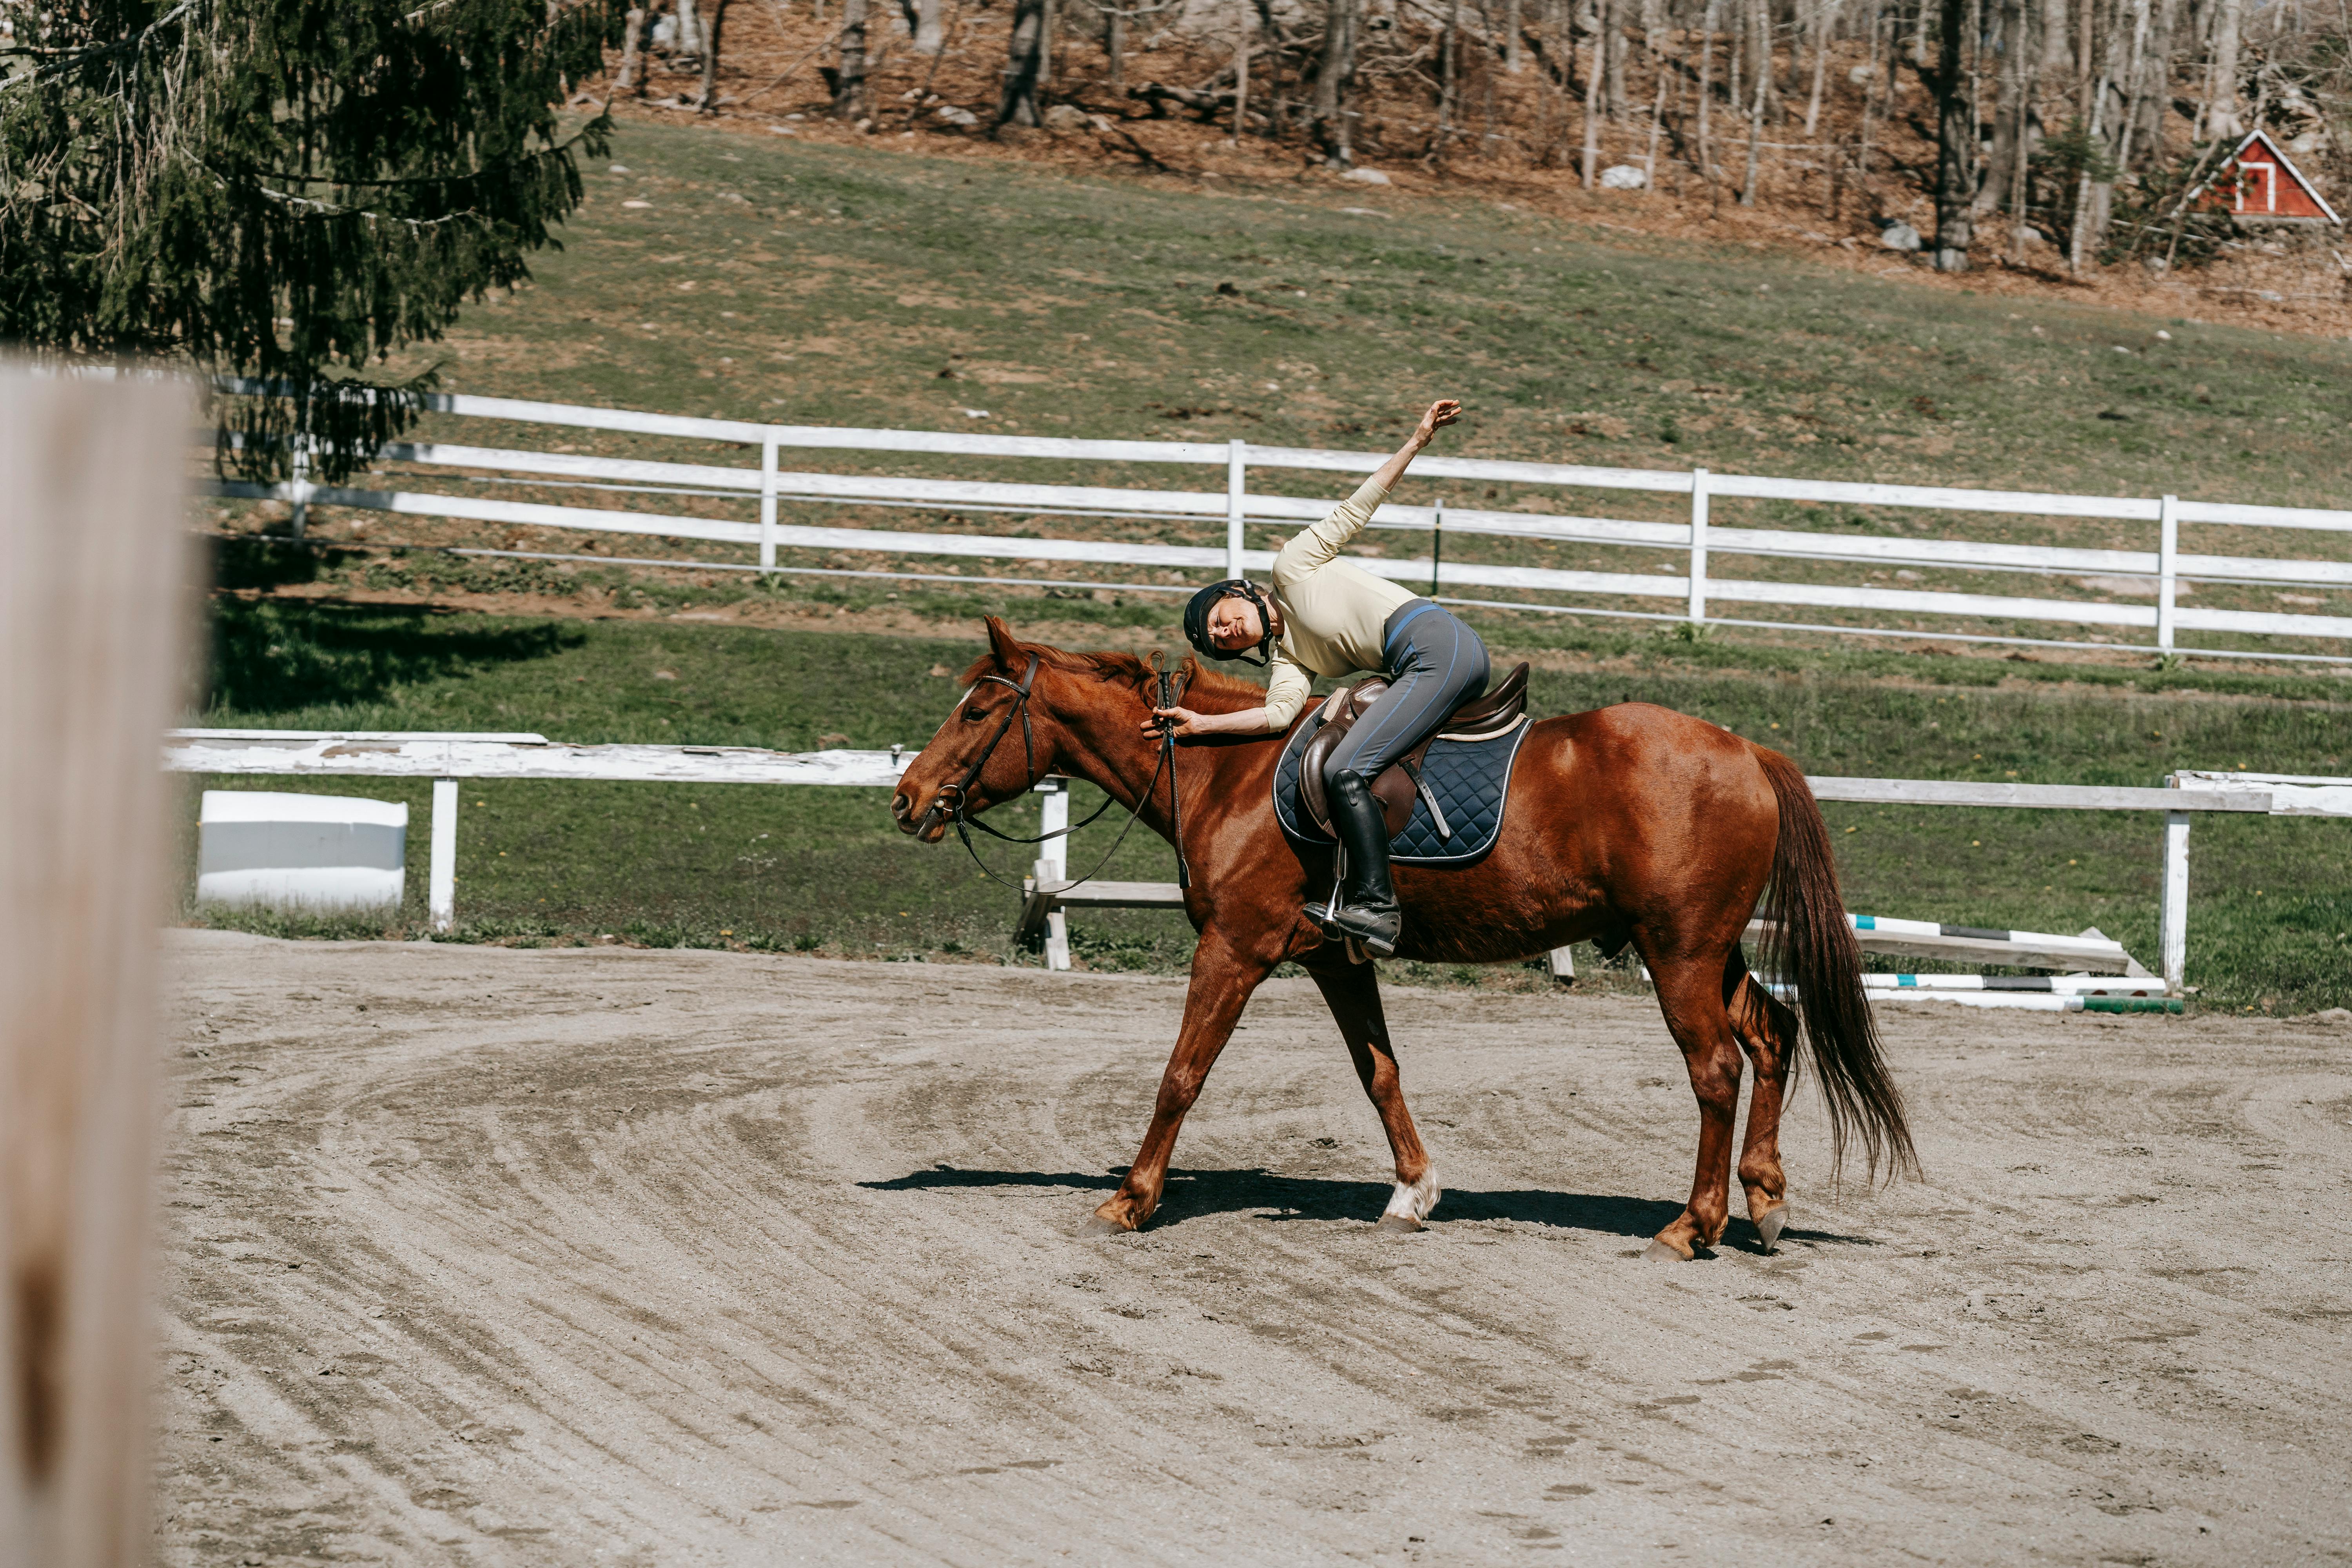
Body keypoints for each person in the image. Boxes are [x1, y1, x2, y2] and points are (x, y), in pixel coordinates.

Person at [1149, 399, 1489, 958]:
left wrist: (1417, 440)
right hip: (1421, 662)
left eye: (1220, 618)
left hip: (1432, 644)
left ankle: (1377, 908)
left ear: (1238, 593)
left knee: (1347, 767)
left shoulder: (1293, 566)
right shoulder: (1292, 658)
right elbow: (1278, 714)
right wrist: (1202, 723)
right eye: (1221, 642)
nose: (1228, 632)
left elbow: (1356, 509)